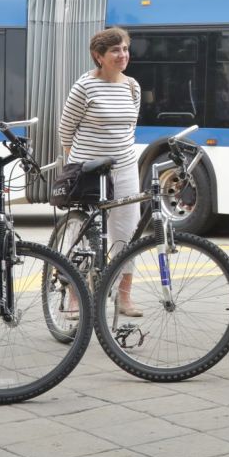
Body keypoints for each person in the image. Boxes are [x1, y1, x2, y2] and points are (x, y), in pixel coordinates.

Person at [58, 26, 143, 318]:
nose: (123, 55)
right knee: (81, 233)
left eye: (125, 49)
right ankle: (74, 296)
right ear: (99, 56)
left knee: (127, 234)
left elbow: (129, 128)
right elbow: (65, 130)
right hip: (89, 169)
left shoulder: (132, 86)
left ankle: (124, 296)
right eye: (115, 50)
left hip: (125, 168)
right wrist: (78, 166)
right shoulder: (85, 86)